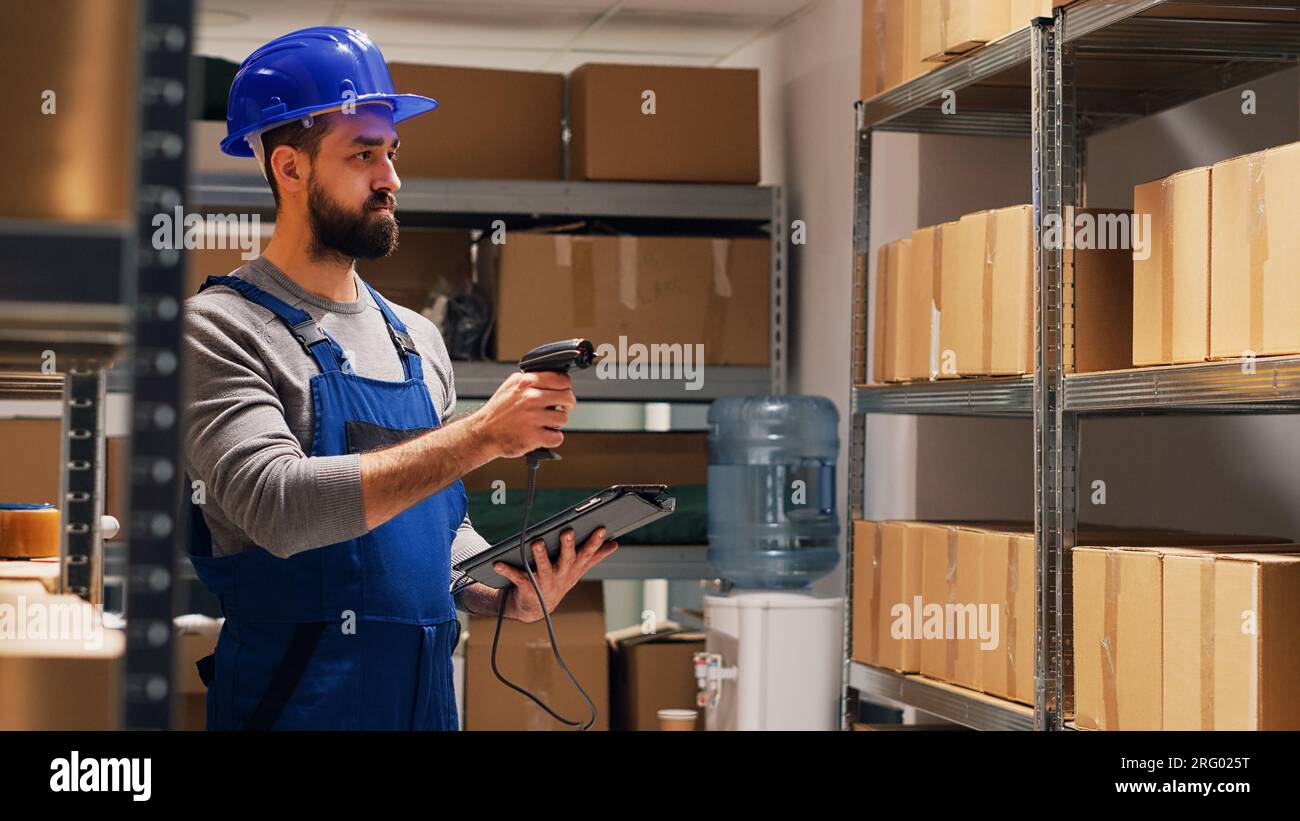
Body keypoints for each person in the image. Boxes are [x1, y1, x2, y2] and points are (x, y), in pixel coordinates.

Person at [183, 26, 617, 730]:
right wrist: (480, 435)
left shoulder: (417, 339)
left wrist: (501, 593)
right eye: (363, 155)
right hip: (291, 710)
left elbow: (438, 533)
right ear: (289, 170)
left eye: (391, 152)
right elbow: (278, 506)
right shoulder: (219, 328)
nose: (391, 179)